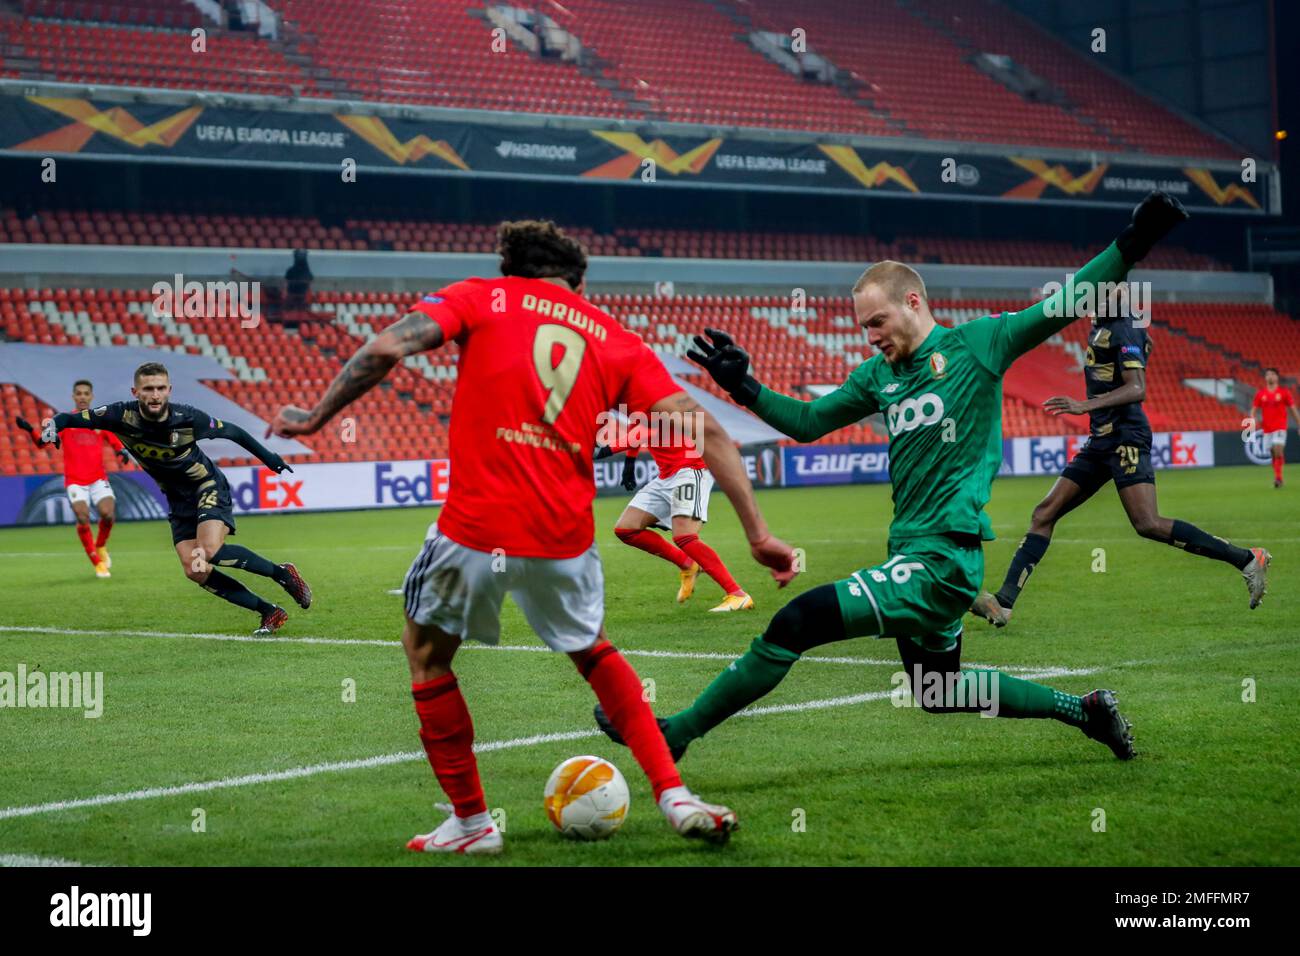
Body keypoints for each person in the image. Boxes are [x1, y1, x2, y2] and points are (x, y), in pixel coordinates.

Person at [595, 192, 1195, 766]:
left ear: (913, 302)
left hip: (943, 561)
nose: (871, 336)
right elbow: (807, 422)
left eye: (877, 321)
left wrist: (1133, 241)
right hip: (911, 554)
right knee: (939, 690)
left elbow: (1063, 302)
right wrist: (743, 387)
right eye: (864, 327)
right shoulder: (877, 377)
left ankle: (676, 734)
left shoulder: (978, 344)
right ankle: (1085, 710)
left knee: (795, 623)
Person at [270, 220, 797, 854]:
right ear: (579, 282)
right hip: (562, 536)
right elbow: (708, 430)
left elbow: (386, 348)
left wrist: (314, 418)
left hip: (475, 527)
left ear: (510, 268)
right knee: (594, 653)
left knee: (428, 656)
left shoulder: (479, 296)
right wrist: (759, 534)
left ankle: (472, 824)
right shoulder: (614, 337)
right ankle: (675, 796)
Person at [972, 300, 1270, 625]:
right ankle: (1005, 602)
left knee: (1147, 523)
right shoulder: (1106, 325)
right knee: (1044, 513)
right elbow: (1140, 350)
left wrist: (1085, 405)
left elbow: (1137, 388)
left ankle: (1246, 558)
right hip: (1101, 439)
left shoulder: (1122, 326)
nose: (1090, 298)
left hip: (1126, 435)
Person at [38, 362, 312, 634]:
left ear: (169, 390)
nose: (155, 395)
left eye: (160, 388)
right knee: (195, 569)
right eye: (148, 389)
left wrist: (270, 459)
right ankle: (269, 611)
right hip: (177, 499)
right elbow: (69, 419)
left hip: (206, 485)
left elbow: (233, 431)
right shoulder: (119, 415)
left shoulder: (187, 418)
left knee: (209, 550)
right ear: (136, 392)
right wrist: (52, 426)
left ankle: (283, 574)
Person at [597, 421, 754, 611]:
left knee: (685, 536)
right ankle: (687, 564)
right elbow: (637, 426)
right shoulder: (634, 407)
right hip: (666, 475)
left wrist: (604, 450)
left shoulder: (654, 404)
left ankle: (738, 595)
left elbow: (647, 428)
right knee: (626, 529)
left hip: (690, 470)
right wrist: (630, 461)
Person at [15, 379, 129, 577]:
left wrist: (121, 451)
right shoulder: (65, 421)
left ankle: (100, 545)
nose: (82, 397)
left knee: (108, 514)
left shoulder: (99, 421)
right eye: (79, 393)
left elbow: (115, 442)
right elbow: (42, 443)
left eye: (86, 393)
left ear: (91, 396)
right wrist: (30, 429)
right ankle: (97, 562)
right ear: (74, 396)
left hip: (98, 479)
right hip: (75, 480)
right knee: (83, 517)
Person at [1250, 367, 1299, 488]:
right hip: (1267, 429)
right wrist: (1253, 419)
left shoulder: (1284, 392)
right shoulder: (1261, 394)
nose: (1270, 376)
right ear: (1265, 378)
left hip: (1280, 427)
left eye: (1272, 374)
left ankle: (1278, 478)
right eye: (1268, 375)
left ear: (1277, 377)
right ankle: (1278, 476)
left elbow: (1293, 410)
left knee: (1277, 449)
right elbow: (1253, 410)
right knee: (1273, 453)